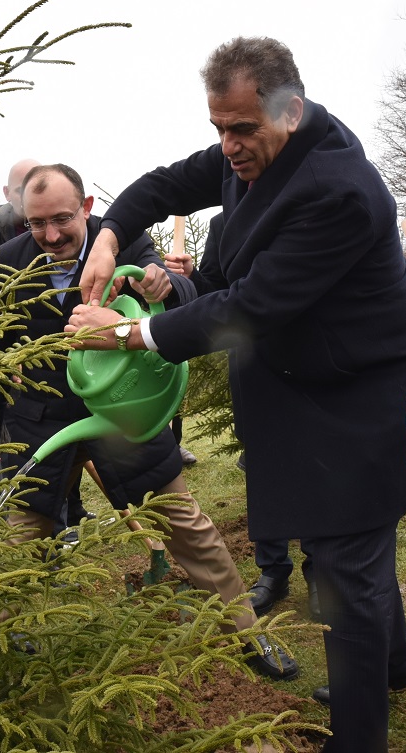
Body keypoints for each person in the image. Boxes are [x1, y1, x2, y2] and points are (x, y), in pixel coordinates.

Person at [70, 38, 406, 753]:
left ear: (288, 110)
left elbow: (250, 308)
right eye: (219, 128)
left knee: (344, 563)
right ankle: (394, 664)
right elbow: (161, 185)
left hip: (367, 390)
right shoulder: (260, 149)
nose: (228, 146)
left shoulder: (336, 188)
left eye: (242, 130)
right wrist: (109, 235)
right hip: (315, 379)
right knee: (352, 541)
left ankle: (358, 737)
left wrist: (126, 336)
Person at [0, 162, 298, 681]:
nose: (50, 236)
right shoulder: (7, 262)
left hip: (123, 416)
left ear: (86, 208)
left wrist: (164, 288)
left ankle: (249, 634)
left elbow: (192, 303)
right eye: (37, 224)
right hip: (42, 424)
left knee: (186, 526)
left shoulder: (125, 243)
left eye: (61, 220)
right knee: (10, 544)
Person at [165, 211, 318, 621]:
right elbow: (214, 291)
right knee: (262, 465)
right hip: (251, 364)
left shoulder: (307, 208)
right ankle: (273, 571)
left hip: (310, 358)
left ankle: (320, 573)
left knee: (313, 463)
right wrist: (189, 278)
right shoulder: (224, 223)